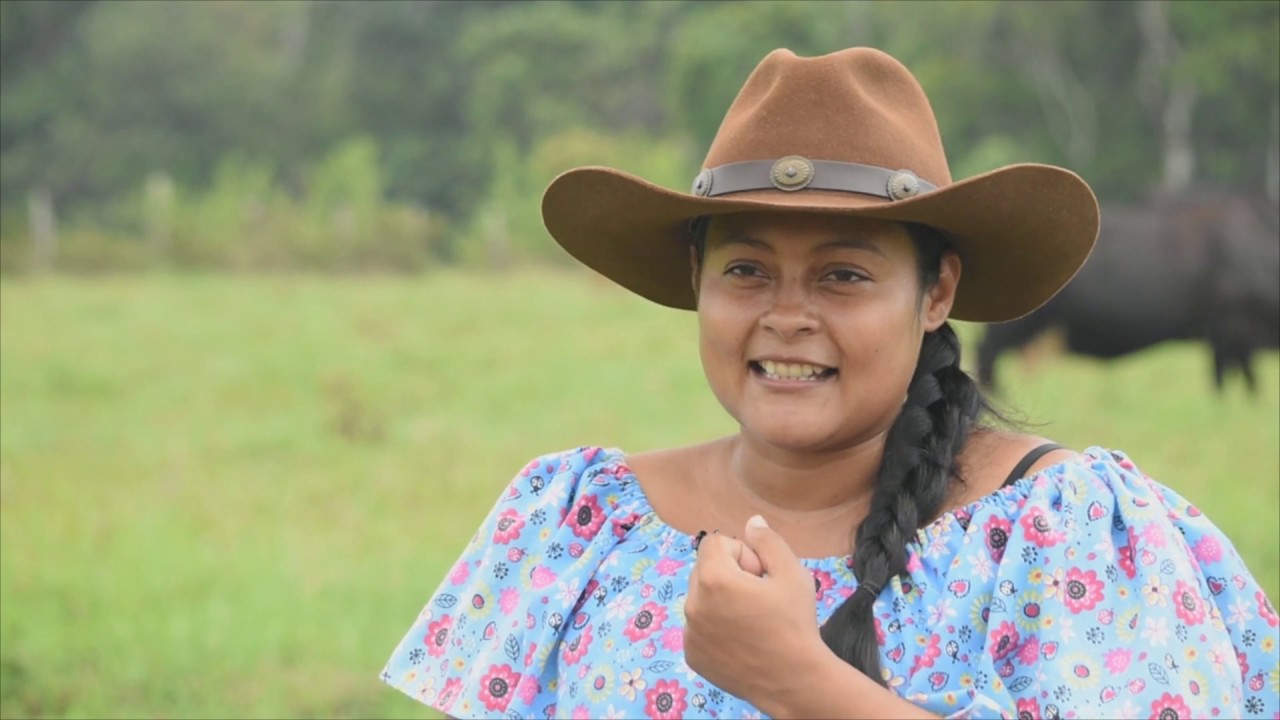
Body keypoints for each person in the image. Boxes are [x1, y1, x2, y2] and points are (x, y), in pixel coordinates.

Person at [380, 47, 1279, 719]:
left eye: (843, 274)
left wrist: (801, 683)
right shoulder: (576, 527)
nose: (786, 314)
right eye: (745, 271)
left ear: (937, 292)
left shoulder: (1065, 536)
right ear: (696, 281)